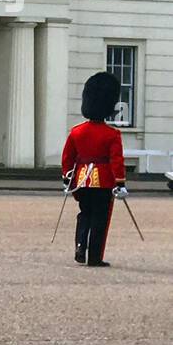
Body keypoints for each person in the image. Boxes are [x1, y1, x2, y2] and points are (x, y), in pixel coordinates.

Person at [62, 71, 128, 268]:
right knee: (100, 219)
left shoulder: (77, 132)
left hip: (82, 180)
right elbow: (116, 160)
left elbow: (68, 158)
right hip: (104, 181)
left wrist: (67, 179)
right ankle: (95, 257)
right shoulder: (112, 134)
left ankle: (80, 247)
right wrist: (120, 183)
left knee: (84, 214)